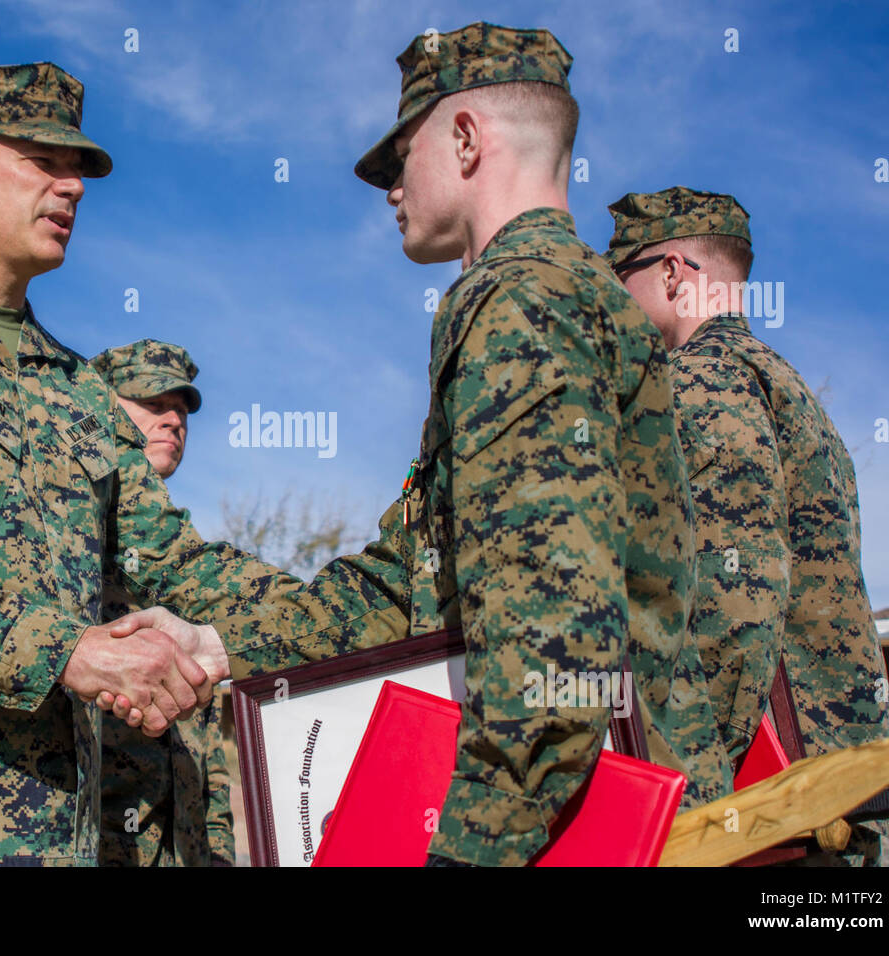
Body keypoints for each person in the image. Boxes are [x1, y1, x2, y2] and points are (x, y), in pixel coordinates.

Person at [105, 23, 732, 866]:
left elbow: (552, 650)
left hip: (574, 826)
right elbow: (399, 581)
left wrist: (465, 851)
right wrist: (216, 647)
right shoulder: (564, 292)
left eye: (399, 161)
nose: (389, 189)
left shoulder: (520, 300)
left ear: (466, 138)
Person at [0, 62, 361, 866]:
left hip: (54, 844)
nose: (73, 187)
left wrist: (354, 624)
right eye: (44, 161)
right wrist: (67, 651)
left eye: (78, 170)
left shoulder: (81, 391)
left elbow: (175, 565)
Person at [604, 186, 889, 863]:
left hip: (759, 818)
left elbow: (735, 611)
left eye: (622, 281)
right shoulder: (788, 391)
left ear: (673, 274)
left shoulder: (694, 384)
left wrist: (696, 798)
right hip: (829, 792)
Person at [89, 340, 234, 866]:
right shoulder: (65, 544)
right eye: (154, 404)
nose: (174, 420)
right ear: (101, 406)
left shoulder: (187, 563)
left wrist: (217, 853)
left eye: (182, 411)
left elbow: (204, 748)